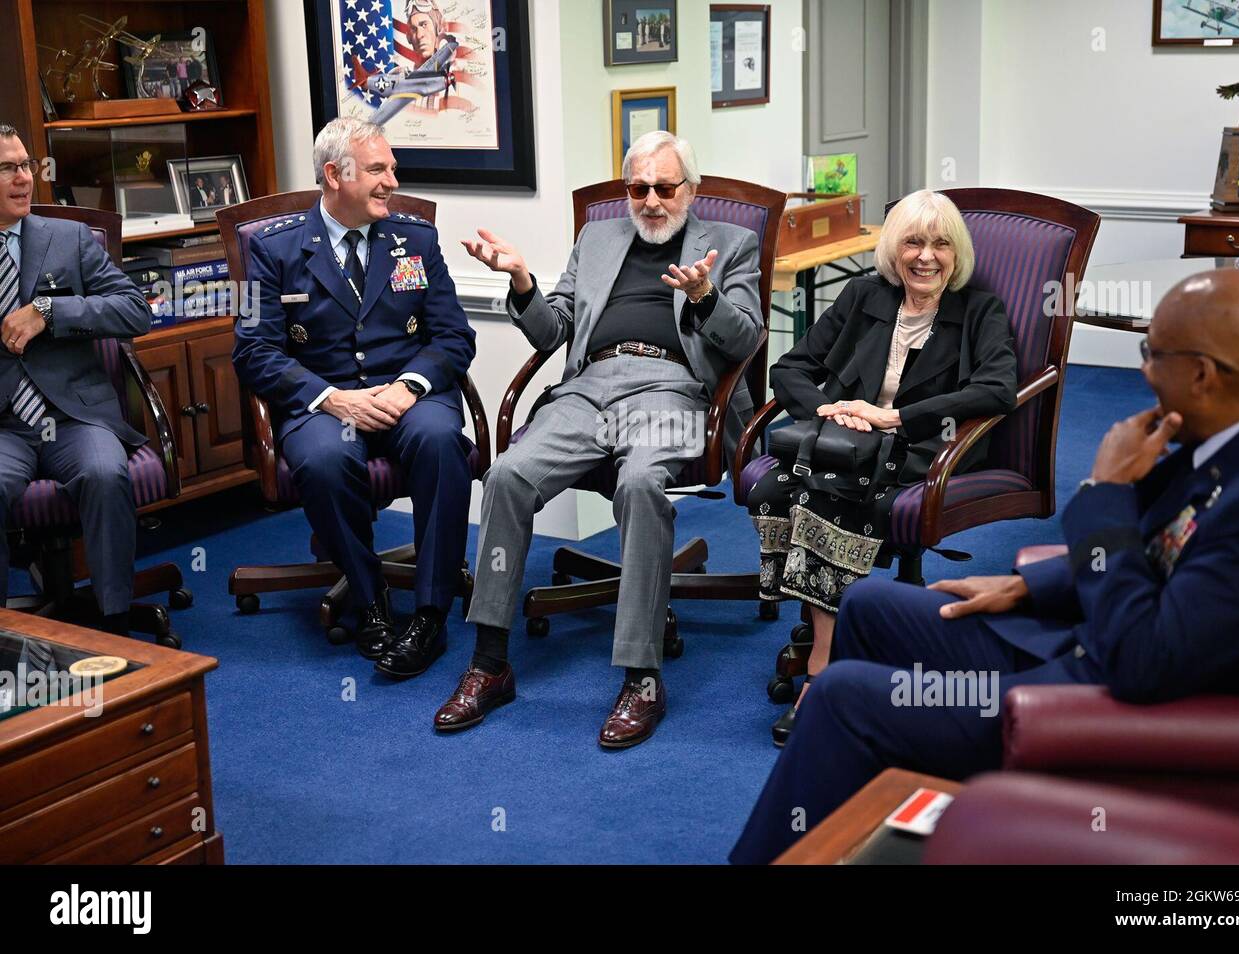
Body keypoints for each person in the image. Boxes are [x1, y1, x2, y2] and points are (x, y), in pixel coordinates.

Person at [730, 268, 1239, 864]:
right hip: (1079, 628)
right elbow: (1163, 548)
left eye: (1151, 354)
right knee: (869, 606)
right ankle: (869, 831)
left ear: (1203, 376)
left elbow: (1148, 659)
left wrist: (1105, 489)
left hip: (1097, 689)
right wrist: (1033, 582)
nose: (1143, 371)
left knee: (843, 697)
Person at [448, 130, 762, 748]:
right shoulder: (596, 238)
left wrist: (704, 295)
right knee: (507, 473)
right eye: (637, 188)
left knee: (641, 481)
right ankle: (489, 662)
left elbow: (745, 340)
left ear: (689, 191)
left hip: (672, 389)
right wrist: (520, 281)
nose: (649, 200)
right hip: (589, 387)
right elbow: (551, 331)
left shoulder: (731, 244)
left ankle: (642, 677)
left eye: (664, 188)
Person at [749, 189, 1016, 745]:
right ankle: (843, 631)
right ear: (893, 250)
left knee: (822, 493)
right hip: (850, 448)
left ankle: (822, 670)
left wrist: (893, 419)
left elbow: (996, 389)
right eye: (913, 242)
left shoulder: (978, 310)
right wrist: (830, 412)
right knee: (775, 485)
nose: (926, 257)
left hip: (927, 453)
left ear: (956, 253)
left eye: (941, 244)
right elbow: (791, 366)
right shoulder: (863, 295)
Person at [232, 117, 475, 678]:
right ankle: (372, 605)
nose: (393, 180)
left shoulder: (417, 238)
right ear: (333, 175)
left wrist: (410, 386)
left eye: (391, 167)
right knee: (323, 458)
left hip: (405, 395)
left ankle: (431, 614)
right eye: (377, 170)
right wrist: (333, 399)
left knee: (441, 441)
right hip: (324, 399)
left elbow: (454, 336)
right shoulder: (267, 250)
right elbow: (252, 351)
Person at [0, 125, 153, 634]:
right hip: (4, 427)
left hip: (74, 417)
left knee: (106, 475)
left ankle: (114, 627)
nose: (25, 179)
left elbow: (135, 310)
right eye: (8, 169)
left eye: (26, 165)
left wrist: (49, 309)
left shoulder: (67, 238)